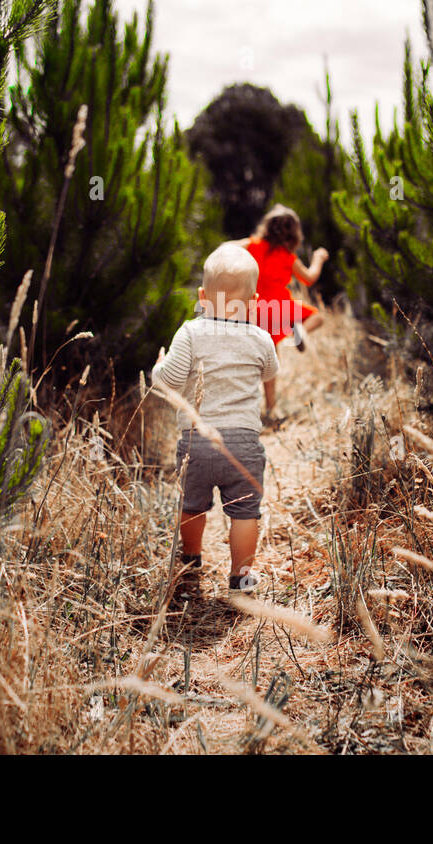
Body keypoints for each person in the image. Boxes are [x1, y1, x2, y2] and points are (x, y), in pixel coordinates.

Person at [151, 243, 279, 599]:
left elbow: (167, 382)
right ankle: (241, 578)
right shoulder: (260, 337)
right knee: (245, 513)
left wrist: (159, 365)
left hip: (197, 443)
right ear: (253, 302)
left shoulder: (190, 332)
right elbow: (271, 370)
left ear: (202, 296)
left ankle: (191, 560)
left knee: (192, 505)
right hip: (244, 447)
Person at [230, 203, 328, 413]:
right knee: (318, 317)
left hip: (254, 309)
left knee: (264, 358)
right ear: (294, 234)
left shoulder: (252, 245)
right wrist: (318, 258)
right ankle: (301, 331)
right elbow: (309, 279)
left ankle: (264, 407)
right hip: (280, 307)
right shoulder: (288, 257)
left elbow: (226, 247)